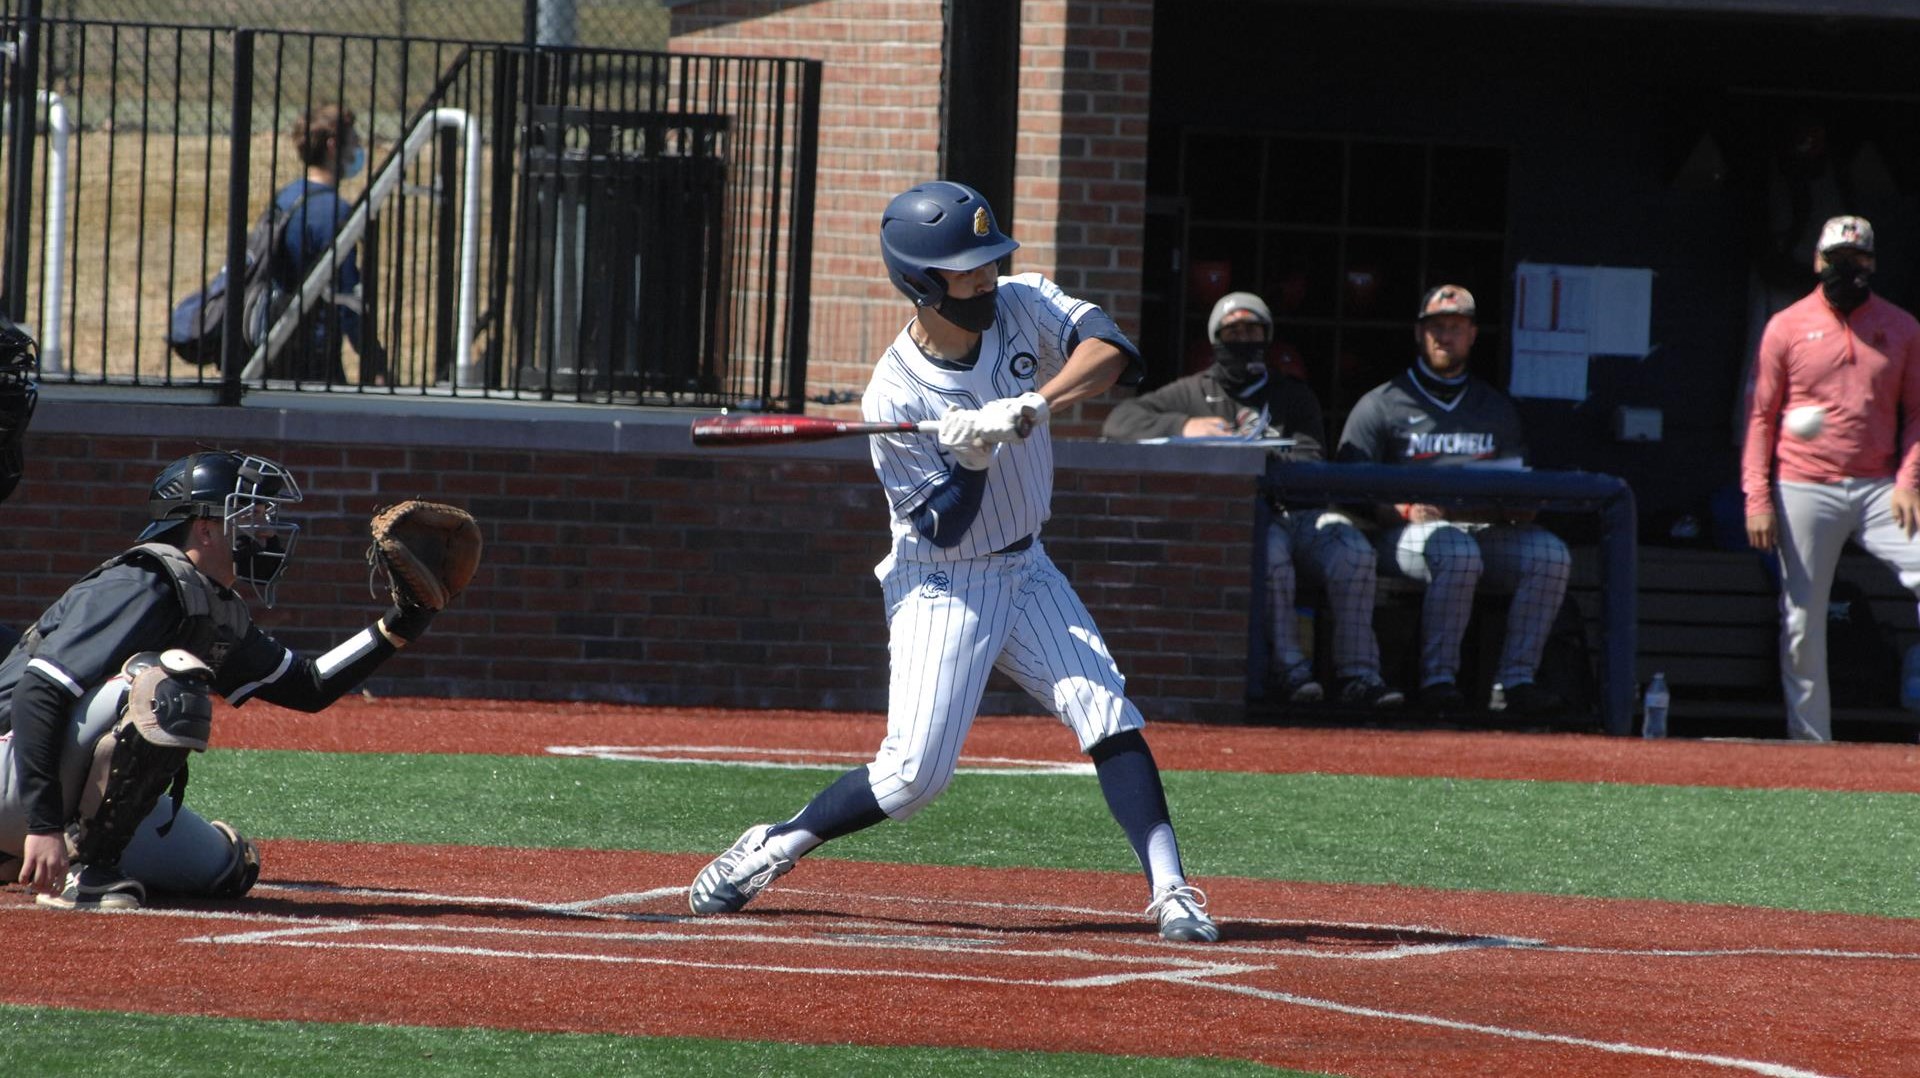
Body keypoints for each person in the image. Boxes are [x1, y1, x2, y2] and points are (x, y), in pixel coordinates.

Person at [686, 180, 1219, 943]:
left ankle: (1172, 891)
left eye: (986, 259)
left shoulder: (1023, 303)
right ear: (920, 280)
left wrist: (1040, 402)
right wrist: (968, 458)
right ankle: (774, 843)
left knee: (1106, 709)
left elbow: (1112, 348)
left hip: (1028, 566)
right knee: (912, 778)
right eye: (965, 267)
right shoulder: (894, 391)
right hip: (945, 583)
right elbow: (939, 527)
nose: (984, 277)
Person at [0, 449, 440, 909]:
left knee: (228, 867)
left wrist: (403, 623)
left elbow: (308, 686)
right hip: (14, 763)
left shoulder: (210, 604)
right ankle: (84, 872)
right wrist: (43, 825)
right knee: (167, 689)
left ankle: (15, 855)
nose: (267, 528)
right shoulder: (140, 584)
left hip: (45, 785)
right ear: (205, 527)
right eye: (251, 513)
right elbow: (38, 693)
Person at [1102, 291, 1403, 709]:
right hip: (1248, 521)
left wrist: (1250, 450)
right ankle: (1292, 673)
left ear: (1267, 337)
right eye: (1233, 332)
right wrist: (1186, 426)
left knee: (1353, 551)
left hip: (1302, 516)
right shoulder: (1192, 391)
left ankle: (1359, 675)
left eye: (1253, 330)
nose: (1243, 339)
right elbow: (1119, 421)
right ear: (1216, 339)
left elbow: (1311, 458)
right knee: (1271, 554)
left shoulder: (1292, 395)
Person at [1335, 284, 1572, 717]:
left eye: (1456, 327)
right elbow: (1346, 491)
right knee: (1458, 552)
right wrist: (1399, 510)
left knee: (1550, 555)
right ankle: (1438, 681)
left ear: (1473, 335)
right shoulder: (1383, 403)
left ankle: (1515, 682)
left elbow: (1520, 483)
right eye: (1437, 327)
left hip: (1483, 526)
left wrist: (1518, 507)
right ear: (1419, 333)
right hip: (1405, 535)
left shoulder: (1494, 407)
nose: (1446, 336)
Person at [1741, 215, 1920, 742]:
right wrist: (1757, 496)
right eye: (1837, 260)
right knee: (1801, 618)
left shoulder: (1903, 327)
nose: (1847, 269)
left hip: (1878, 487)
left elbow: (1918, 414)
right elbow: (1760, 415)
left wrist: (1909, 480)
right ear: (1818, 262)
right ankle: (1812, 748)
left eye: (1857, 260)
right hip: (1803, 484)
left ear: (1872, 262)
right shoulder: (1786, 326)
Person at [269, 103, 384, 385]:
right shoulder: (333, 211)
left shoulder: (288, 197)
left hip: (276, 340)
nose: (358, 151)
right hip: (314, 354)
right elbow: (347, 298)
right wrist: (376, 363)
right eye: (355, 142)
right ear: (333, 145)